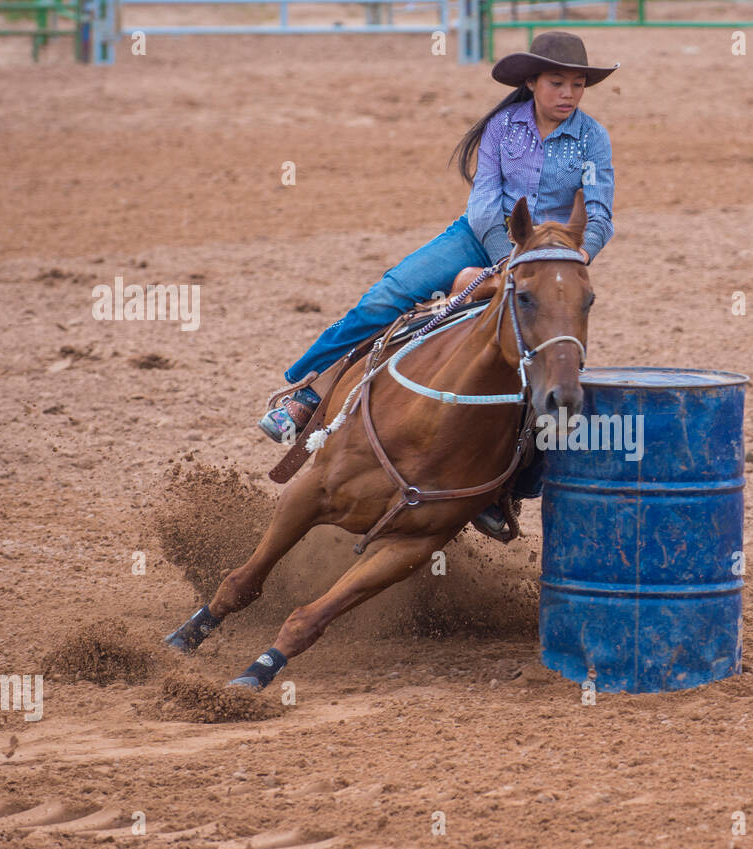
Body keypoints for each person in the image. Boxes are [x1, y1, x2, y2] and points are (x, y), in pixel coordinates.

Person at [258, 30, 618, 538]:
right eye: (557, 83)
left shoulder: (592, 138)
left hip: (548, 257)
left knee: (551, 366)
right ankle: (306, 396)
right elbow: (486, 204)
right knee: (386, 296)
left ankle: (500, 488)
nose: (568, 94)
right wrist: (506, 264)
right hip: (482, 238)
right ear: (533, 83)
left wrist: (572, 255)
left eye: (577, 85)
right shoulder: (501, 128)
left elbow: (599, 213)